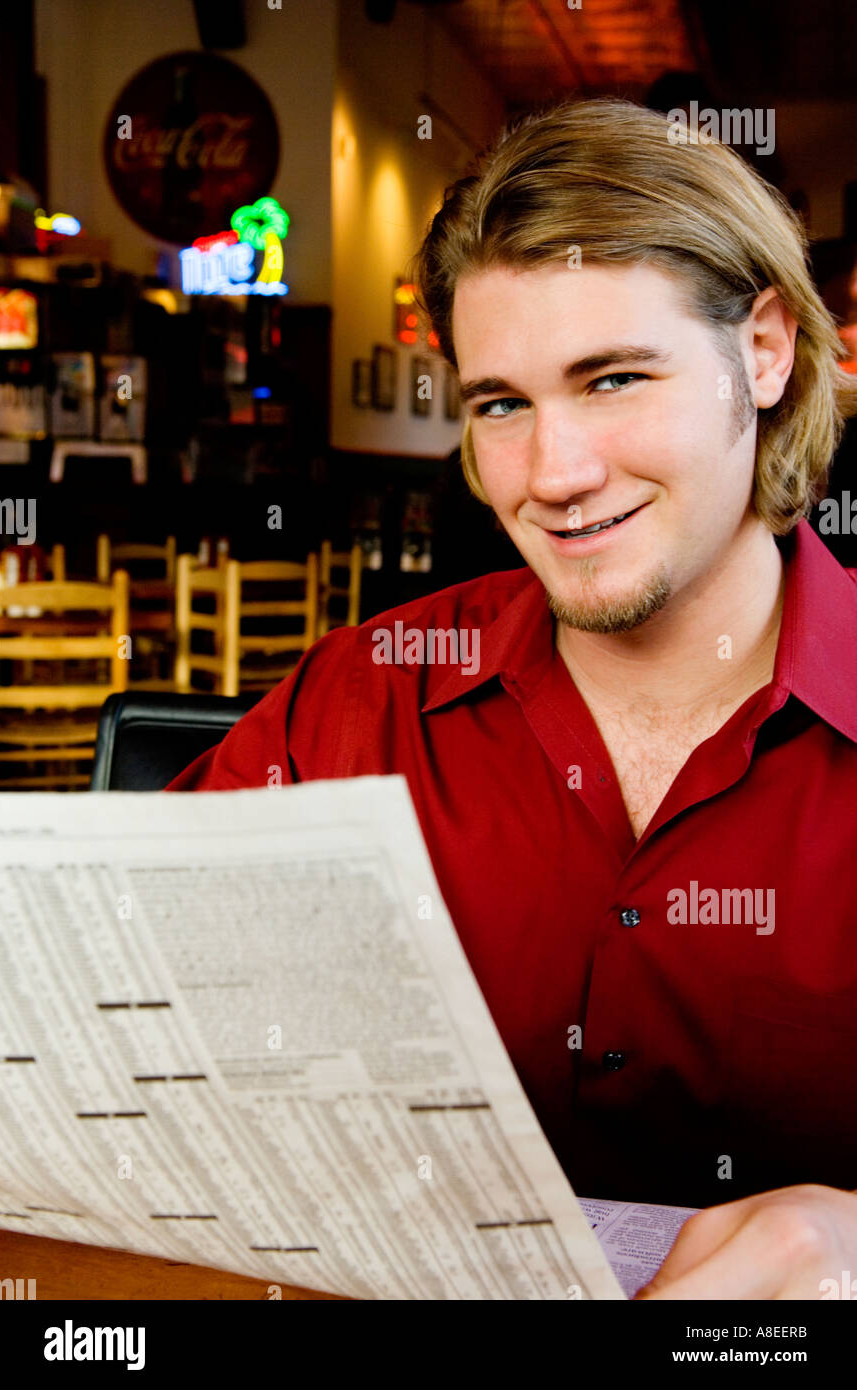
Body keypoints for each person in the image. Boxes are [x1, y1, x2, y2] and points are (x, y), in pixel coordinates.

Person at [168, 99, 857, 1299]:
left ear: (763, 350)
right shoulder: (356, 697)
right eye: (499, 404)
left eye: (613, 378)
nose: (554, 475)